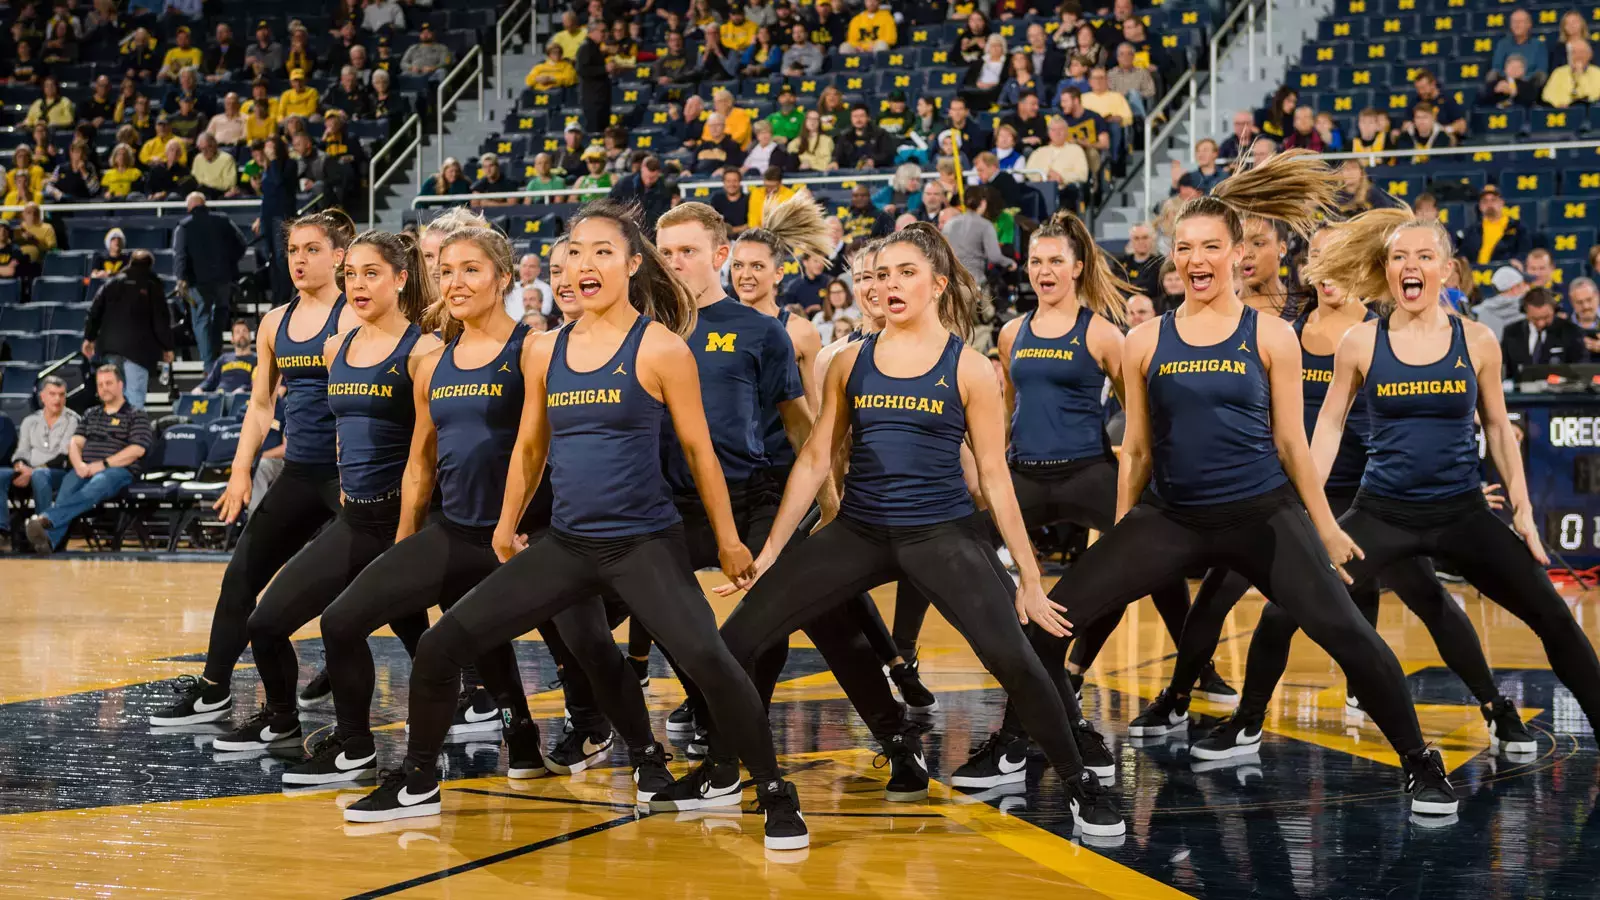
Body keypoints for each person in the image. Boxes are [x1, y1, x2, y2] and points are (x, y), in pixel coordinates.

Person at [342, 207, 804, 851]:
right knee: (445, 644)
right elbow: (530, 447)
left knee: (710, 661)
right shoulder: (544, 348)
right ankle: (418, 779)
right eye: (576, 252)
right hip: (566, 544)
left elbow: (700, 453)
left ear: (633, 264)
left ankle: (775, 791)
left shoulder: (661, 347)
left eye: (602, 253)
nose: (586, 265)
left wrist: (728, 540)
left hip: (642, 543)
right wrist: (506, 524)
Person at [1037, 151, 1460, 814]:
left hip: (1261, 514)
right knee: (1048, 619)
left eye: (1211, 246)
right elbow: (1138, 448)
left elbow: (1292, 444)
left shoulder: (1271, 334)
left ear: (1237, 254)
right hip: (1172, 515)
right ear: (1172, 258)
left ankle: (1419, 760)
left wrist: (1325, 527)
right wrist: (1121, 530)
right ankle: (1039, 739)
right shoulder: (1145, 338)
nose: (1196, 259)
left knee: (1349, 633)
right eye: (1184, 248)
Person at [705, 220, 1126, 837]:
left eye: (907, 273)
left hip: (940, 534)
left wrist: (1030, 578)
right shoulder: (849, 360)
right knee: (734, 641)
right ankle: (755, 780)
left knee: (1016, 658)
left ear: (938, 284)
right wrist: (770, 553)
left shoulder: (971, 368)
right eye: (882, 275)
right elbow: (817, 458)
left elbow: (995, 477)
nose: (891, 285)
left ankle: (1080, 783)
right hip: (860, 529)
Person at [1289, 209, 1600, 754]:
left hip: (1462, 514)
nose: (1410, 266)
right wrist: (1315, 516)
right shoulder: (1359, 343)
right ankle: (1247, 718)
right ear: (1387, 270)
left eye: (1423, 256)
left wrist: (1524, 511)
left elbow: (1499, 428)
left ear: (1447, 270)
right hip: (1383, 512)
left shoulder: (1477, 340)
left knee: (1552, 613)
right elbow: (1330, 426)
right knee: (1286, 606)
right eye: (1399, 257)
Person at [950, 210, 1191, 788]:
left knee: (1151, 559)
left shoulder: (1104, 334)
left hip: (1087, 471)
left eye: (1056, 261)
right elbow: (1010, 407)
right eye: (1036, 261)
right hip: (1026, 473)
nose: (1044, 270)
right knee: (955, 545)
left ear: (1078, 267)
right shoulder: (1012, 333)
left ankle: (1188, 667)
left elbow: (1137, 414)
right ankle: (904, 658)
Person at [208, 231, 444, 762]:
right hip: (354, 518)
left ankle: (361, 743)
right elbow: (340, 436)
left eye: (371, 274)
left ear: (400, 279)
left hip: (401, 519)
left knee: (351, 625)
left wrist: (408, 538)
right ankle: (282, 720)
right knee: (265, 624)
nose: (358, 285)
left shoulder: (425, 352)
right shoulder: (337, 347)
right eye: (351, 275)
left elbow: (424, 459)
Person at [146, 212, 387, 729]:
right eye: (293, 250)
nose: (299, 259)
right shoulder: (276, 322)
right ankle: (214, 688)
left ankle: (470, 689)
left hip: (348, 476)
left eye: (312, 249)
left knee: (387, 590)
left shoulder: (354, 316)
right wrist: (240, 470)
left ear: (339, 256)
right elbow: (260, 406)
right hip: (299, 473)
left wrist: (359, 473)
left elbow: (363, 404)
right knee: (240, 578)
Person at [24, 365, 151, 554]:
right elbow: (75, 443)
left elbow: (137, 450)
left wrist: (104, 464)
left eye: (109, 383)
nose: (104, 388)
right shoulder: (91, 414)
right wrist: (79, 465)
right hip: (86, 468)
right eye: (100, 384)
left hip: (119, 471)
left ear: (120, 385)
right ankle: (50, 541)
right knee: (70, 482)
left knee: (99, 482)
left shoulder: (136, 415)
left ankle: (48, 519)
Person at [82, 250, 173, 409]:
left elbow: (94, 311)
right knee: (135, 397)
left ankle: (119, 425)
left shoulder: (111, 283)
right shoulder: (153, 285)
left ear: (130, 262)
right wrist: (167, 346)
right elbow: (161, 321)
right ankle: (132, 426)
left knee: (116, 398)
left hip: (111, 349)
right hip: (138, 351)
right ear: (150, 265)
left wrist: (89, 338)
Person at [174, 192, 248, 371]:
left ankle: (209, 365)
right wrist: (229, 263)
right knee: (221, 314)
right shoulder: (223, 220)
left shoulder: (184, 226)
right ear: (204, 203)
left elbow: (180, 255)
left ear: (189, 207)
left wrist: (181, 277)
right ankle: (215, 353)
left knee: (202, 320)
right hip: (224, 278)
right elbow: (242, 244)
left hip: (197, 282)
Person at [11, 376, 79, 523]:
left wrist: (33, 471)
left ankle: (43, 524)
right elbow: (22, 451)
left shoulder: (73, 420)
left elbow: (64, 455)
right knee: (7, 476)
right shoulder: (30, 421)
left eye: (61, 395)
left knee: (40, 475)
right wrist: (20, 466)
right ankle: (8, 527)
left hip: (60, 473)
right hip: (29, 472)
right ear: (42, 396)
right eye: (52, 394)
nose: (57, 399)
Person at [1501, 287, 1586, 378]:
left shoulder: (1571, 331)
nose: (1541, 323)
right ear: (1525, 312)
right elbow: (1503, 369)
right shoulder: (1511, 332)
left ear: (1555, 310)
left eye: (1546, 317)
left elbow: (1581, 369)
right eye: (1535, 318)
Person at [1459, 183, 1532, 266]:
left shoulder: (1517, 227)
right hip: (1477, 271)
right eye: (1485, 201)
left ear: (1502, 203)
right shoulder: (1472, 230)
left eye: (1493, 200)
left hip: (1504, 270)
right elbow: (1463, 253)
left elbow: (1524, 252)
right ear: (1480, 206)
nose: (1489, 204)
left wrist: (1517, 261)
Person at [608, 155, 673, 236]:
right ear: (642, 169)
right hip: (625, 230)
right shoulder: (624, 184)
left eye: (653, 178)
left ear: (658, 174)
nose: (648, 181)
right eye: (646, 177)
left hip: (651, 232)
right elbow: (610, 203)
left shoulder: (664, 189)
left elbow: (664, 214)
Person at [194, 320, 257, 393]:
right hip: (220, 396)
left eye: (244, 331)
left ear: (250, 337)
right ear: (232, 339)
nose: (241, 334)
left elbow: (258, 383)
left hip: (243, 396)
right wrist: (200, 388)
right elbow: (210, 380)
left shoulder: (257, 359)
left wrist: (245, 389)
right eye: (237, 332)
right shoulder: (223, 359)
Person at [576, 20, 611, 135]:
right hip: (593, 99)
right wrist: (604, 69)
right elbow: (582, 70)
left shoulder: (595, 47)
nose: (605, 34)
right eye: (602, 31)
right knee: (595, 132)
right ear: (592, 31)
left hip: (600, 96)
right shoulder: (586, 47)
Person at [1493, 8, 1548, 79]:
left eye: (1521, 21)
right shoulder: (1502, 44)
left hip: (1530, 84)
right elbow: (1497, 70)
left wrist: (1521, 81)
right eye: (1514, 22)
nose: (1517, 24)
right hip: (1506, 83)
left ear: (1529, 24)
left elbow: (1541, 71)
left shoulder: (1538, 45)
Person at [1544, 39, 1600, 108]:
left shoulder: (1597, 73)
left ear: (1590, 55)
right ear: (1569, 56)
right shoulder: (1559, 72)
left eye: (1582, 52)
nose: (1578, 56)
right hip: (1563, 111)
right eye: (1574, 52)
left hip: (1588, 111)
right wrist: (1559, 104)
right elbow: (1547, 96)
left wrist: (1579, 75)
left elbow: (1592, 97)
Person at [1118, 222, 1165, 299]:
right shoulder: (1120, 263)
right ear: (1131, 241)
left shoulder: (1161, 264)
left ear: (1152, 239)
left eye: (1145, 237)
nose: (1141, 242)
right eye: (1136, 238)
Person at [504, 253, 552, 322]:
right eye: (524, 266)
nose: (527, 270)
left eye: (531, 266)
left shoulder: (545, 288)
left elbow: (545, 311)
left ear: (538, 270)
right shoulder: (510, 287)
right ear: (520, 268)